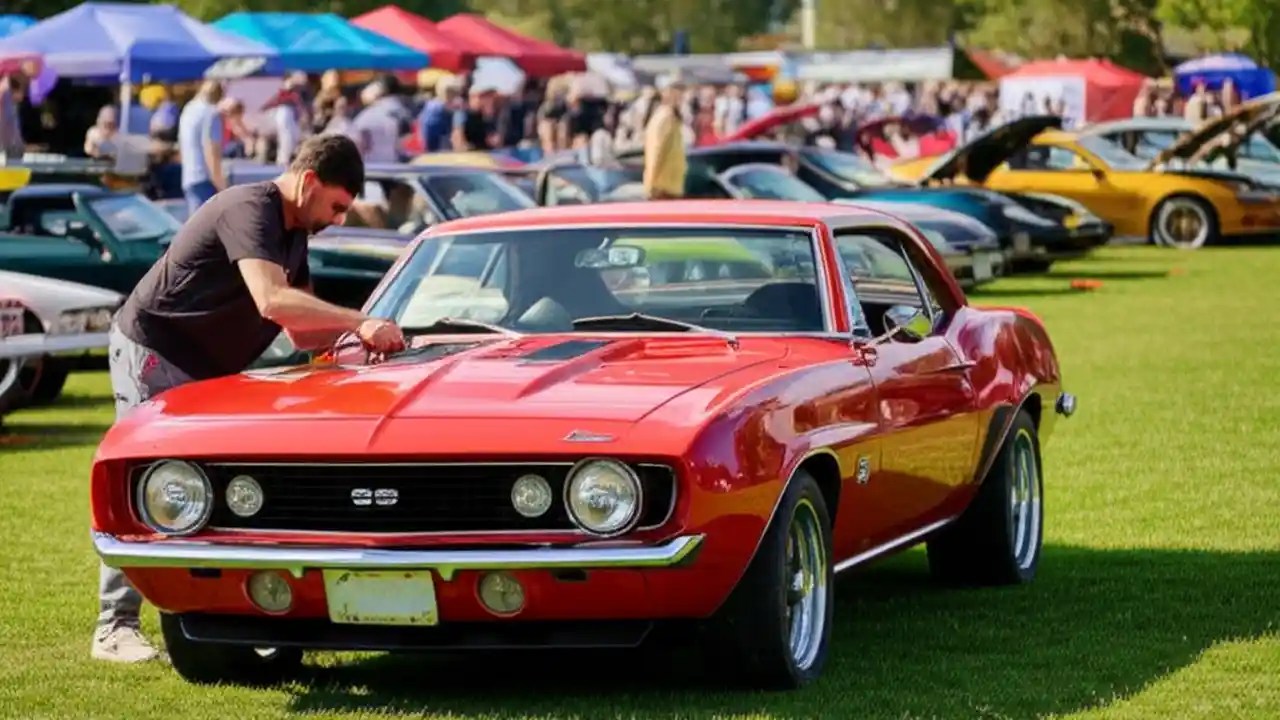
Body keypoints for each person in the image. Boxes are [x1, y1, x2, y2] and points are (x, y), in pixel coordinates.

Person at [93, 134, 406, 663]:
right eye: (336, 205)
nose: (338, 218)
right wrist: (362, 321)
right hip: (153, 351)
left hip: (206, 369)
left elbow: (302, 330)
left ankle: (220, 613)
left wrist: (367, 345)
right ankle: (114, 626)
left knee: (206, 489)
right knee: (149, 480)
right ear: (308, 182)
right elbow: (271, 300)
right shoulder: (250, 207)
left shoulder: (293, 230)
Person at [177, 80, 226, 215]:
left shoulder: (189, 109)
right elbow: (211, 149)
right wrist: (221, 185)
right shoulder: (211, 113)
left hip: (189, 177)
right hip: (205, 178)